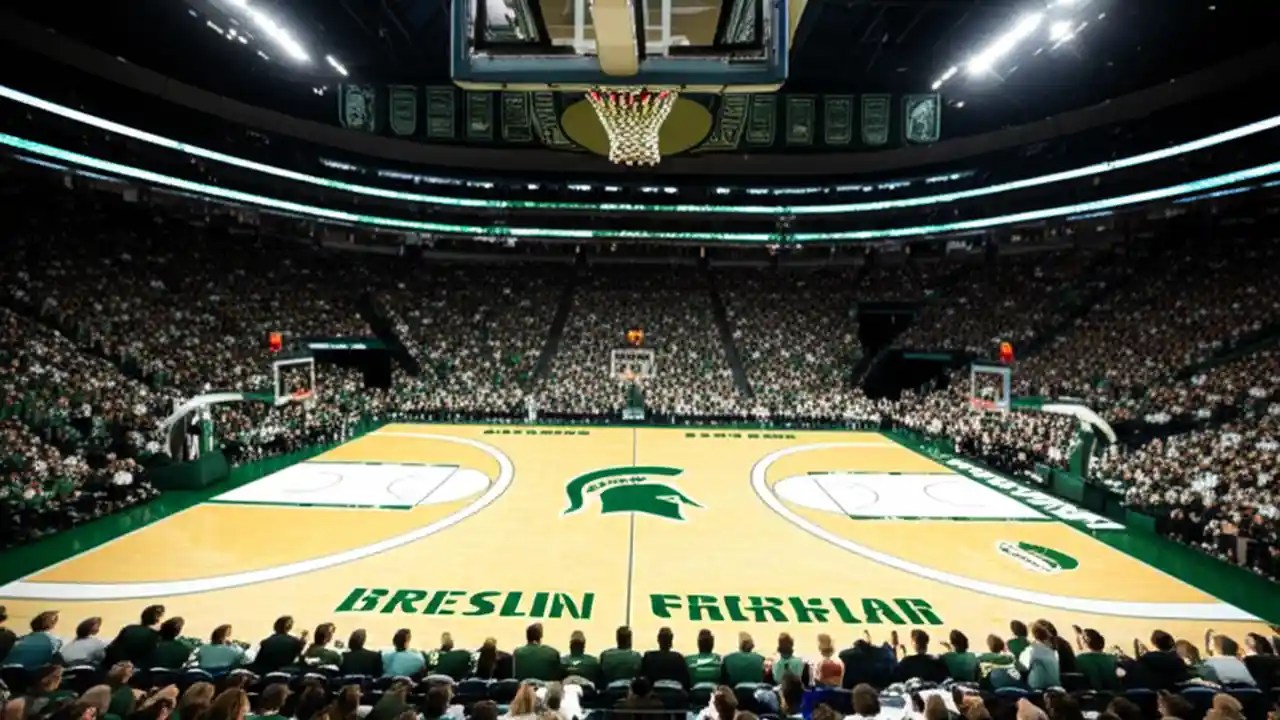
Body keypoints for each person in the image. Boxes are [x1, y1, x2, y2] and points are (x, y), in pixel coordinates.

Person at [1017, 622, 1060, 691]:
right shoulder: (1053, 651)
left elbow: (1022, 668)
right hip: (1055, 687)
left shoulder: (1031, 650)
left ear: (1033, 636)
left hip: (1037, 689)